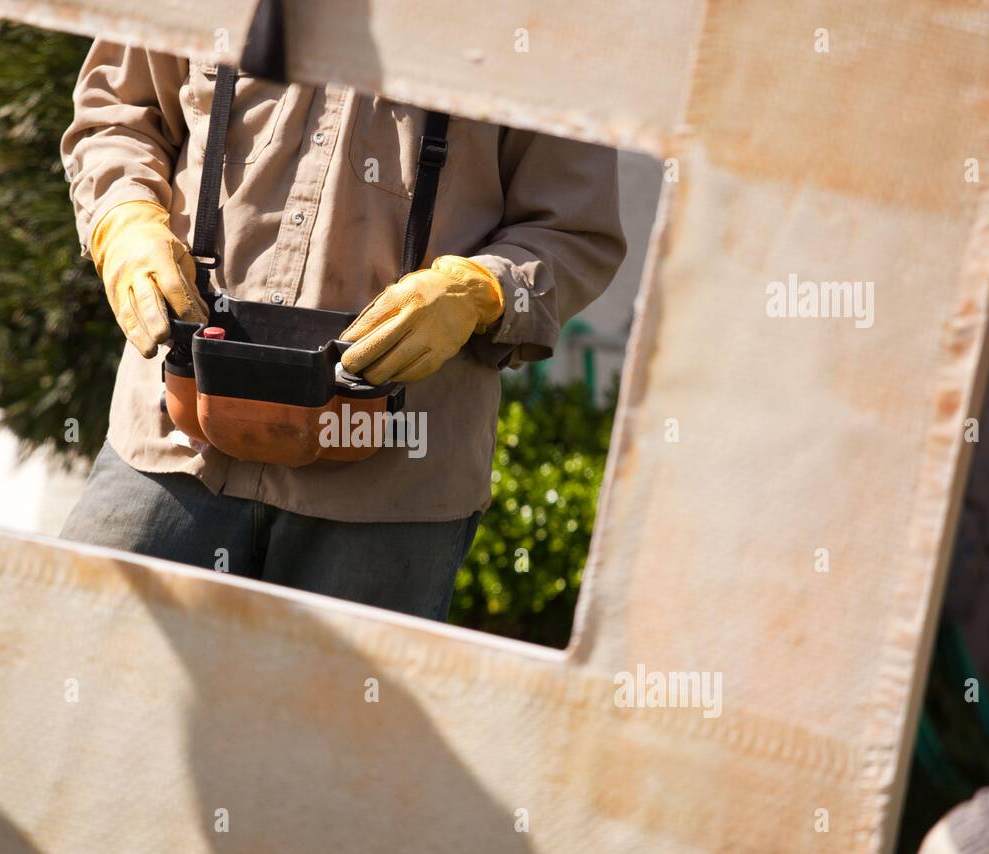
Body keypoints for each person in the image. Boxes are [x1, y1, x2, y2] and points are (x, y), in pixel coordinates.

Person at [58, 39, 625, 621]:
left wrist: (482, 290)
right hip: (168, 445)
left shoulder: (537, 22)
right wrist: (123, 219)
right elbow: (117, 114)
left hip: (393, 496)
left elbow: (575, 229)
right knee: (89, 679)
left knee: (337, 714)